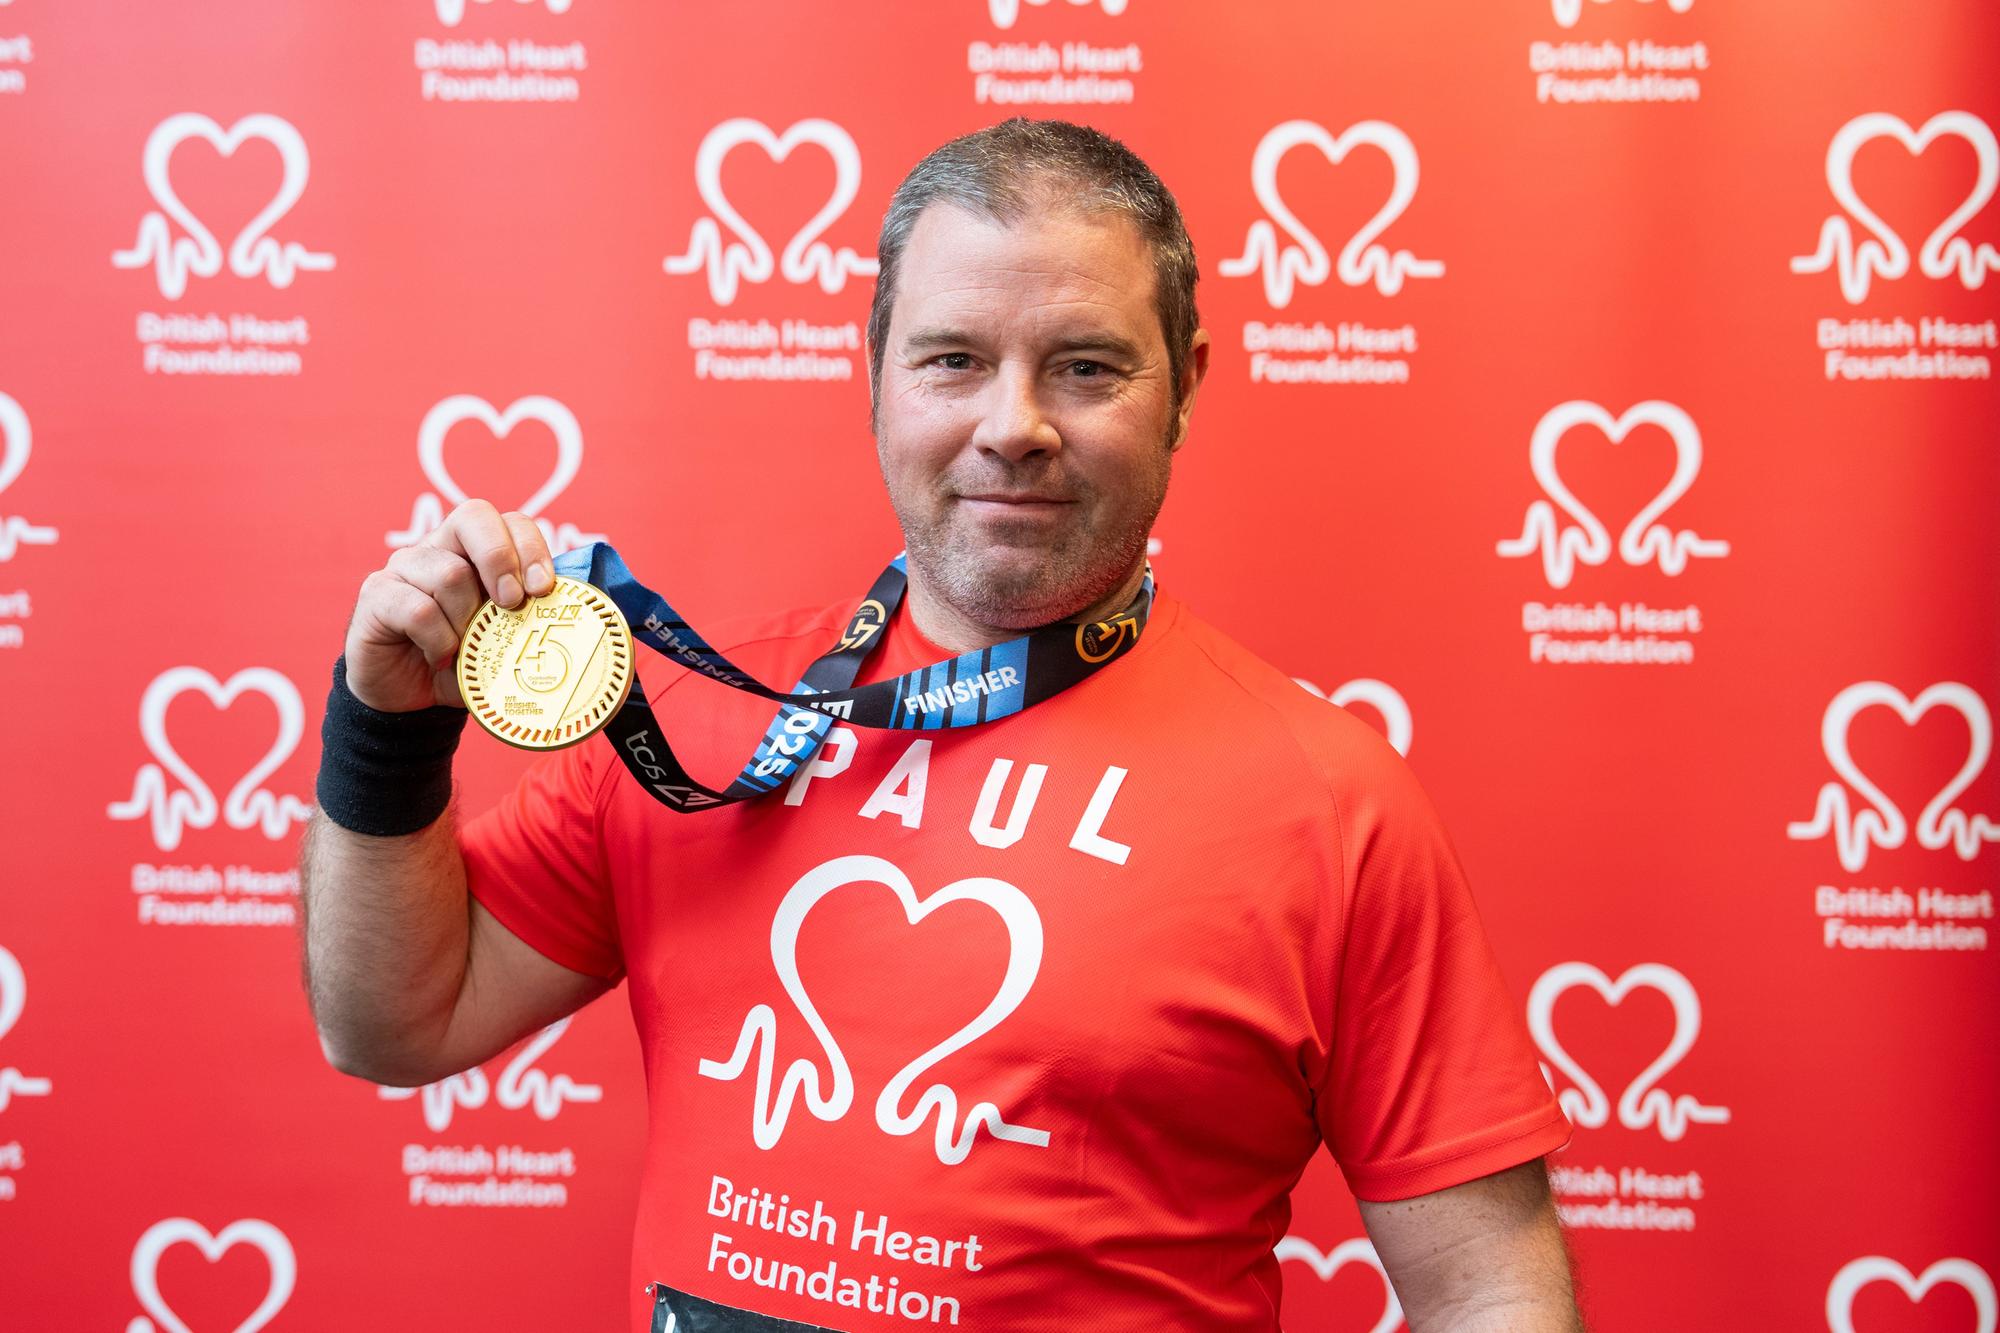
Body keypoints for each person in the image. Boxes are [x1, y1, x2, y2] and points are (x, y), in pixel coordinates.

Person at [303, 118, 1584, 1332]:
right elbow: (394, 1022)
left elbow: (1490, 1287)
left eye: (1085, 367)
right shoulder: (699, 720)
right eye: (953, 359)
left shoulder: (1329, 803)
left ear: (1184, 387)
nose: (1011, 427)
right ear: (875, 375)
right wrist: (386, 727)